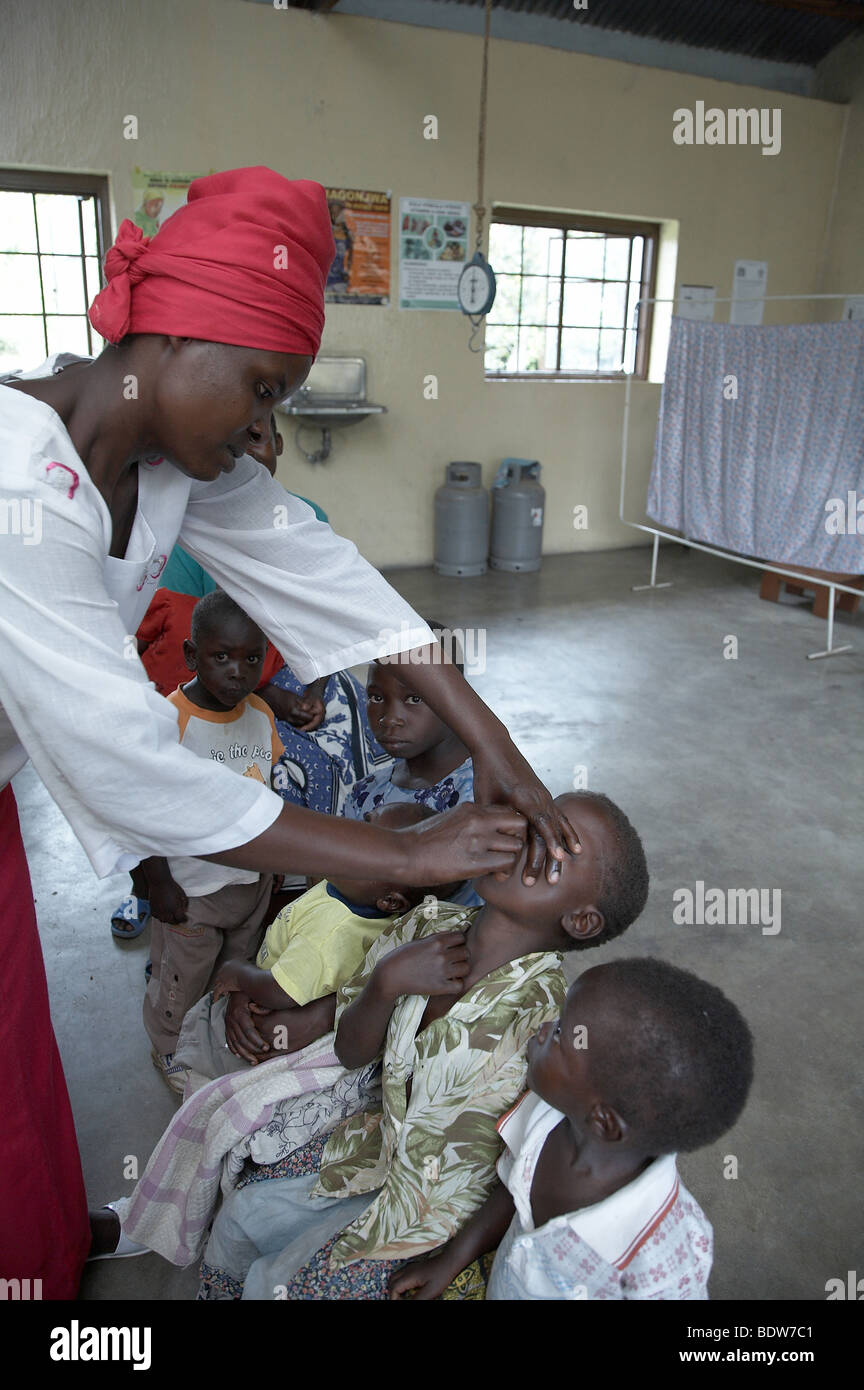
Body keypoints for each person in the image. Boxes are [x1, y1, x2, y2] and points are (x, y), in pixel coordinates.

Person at [0, 165, 577, 1299]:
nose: (266, 430)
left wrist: (500, 756)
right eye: (262, 389)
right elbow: (131, 769)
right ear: (169, 338)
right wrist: (409, 855)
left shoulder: (162, 459)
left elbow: (339, 586)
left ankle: (45, 1243)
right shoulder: (21, 481)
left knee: (19, 1059)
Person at [187, 790, 648, 1298]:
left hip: (434, 1217)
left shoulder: (548, 1023)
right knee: (242, 1217)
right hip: (370, 1149)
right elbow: (351, 1051)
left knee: (277, 1286)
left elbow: (531, 1161)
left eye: (558, 848)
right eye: (533, 825)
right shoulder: (427, 923)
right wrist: (386, 983)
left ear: (580, 919)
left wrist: (455, 1258)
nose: (525, 844)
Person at [389, 958, 754, 1301]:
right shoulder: (546, 1116)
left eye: (561, 1032)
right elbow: (517, 1187)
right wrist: (452, 1260)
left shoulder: (667, 1256)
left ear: (602, 1121)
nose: (543, 1028)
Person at [173, 804, 455, 1090]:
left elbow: (279, 993)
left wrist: (237, 972)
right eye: (363, 822)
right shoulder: (346, 891)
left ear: (390, 901)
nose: (346, 836)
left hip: (264, 1016)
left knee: (212, 1066)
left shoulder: (329, 934)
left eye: (366, 845)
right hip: (273, 992)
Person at [141, 589, 285, 1091]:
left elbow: (266, 794)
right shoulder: (169, 721)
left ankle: (215, 1039)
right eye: (220, 656)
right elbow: (141, 809)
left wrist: (274, 864)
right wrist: (156, 879)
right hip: (189, 893)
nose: (236, 672)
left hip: (247, 887)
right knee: (181, 981)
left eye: (251, 658)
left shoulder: (260, 716)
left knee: (231, 973)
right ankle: (168, 1049)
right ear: (190, 655)